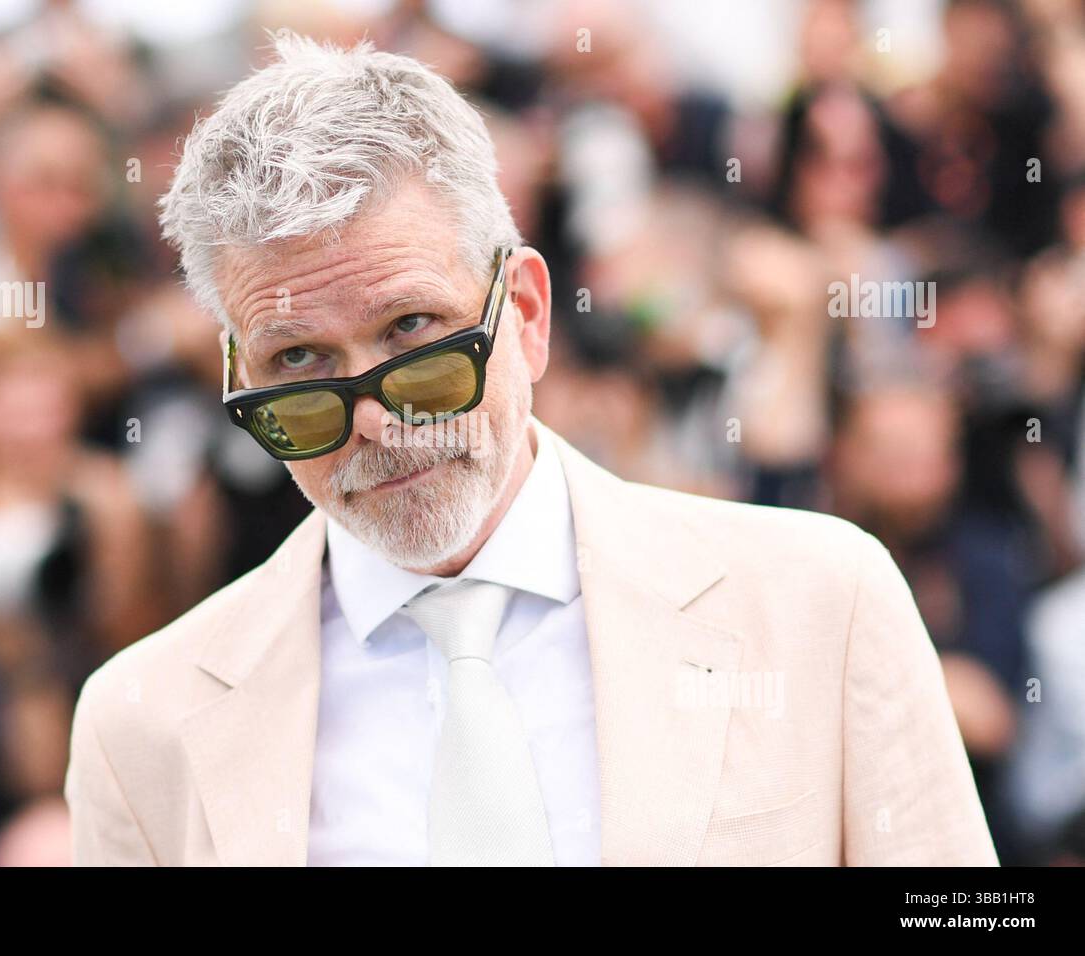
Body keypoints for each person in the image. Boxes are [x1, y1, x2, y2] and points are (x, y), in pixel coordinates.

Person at [64, 33, 998, 867]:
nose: (377, 423)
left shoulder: (820, 603)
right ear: (240, 381)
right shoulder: (141, 724)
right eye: (299, 364)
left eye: (414, 334)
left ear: (527, 314)